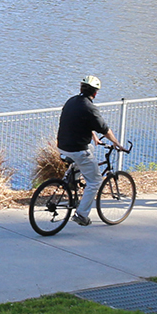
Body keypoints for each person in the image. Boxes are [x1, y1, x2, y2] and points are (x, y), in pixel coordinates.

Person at [56, 75, 121, 226]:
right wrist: (117, 143)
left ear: (81, 88)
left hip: (62, 145)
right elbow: (105, 129)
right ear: (95, 93)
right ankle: (81, 214)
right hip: (77, 149)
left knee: (90, 147)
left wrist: (93, 137)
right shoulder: (90, 107)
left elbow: (81, 121)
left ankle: (72, 178)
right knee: (95, 181)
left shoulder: (72, 101)